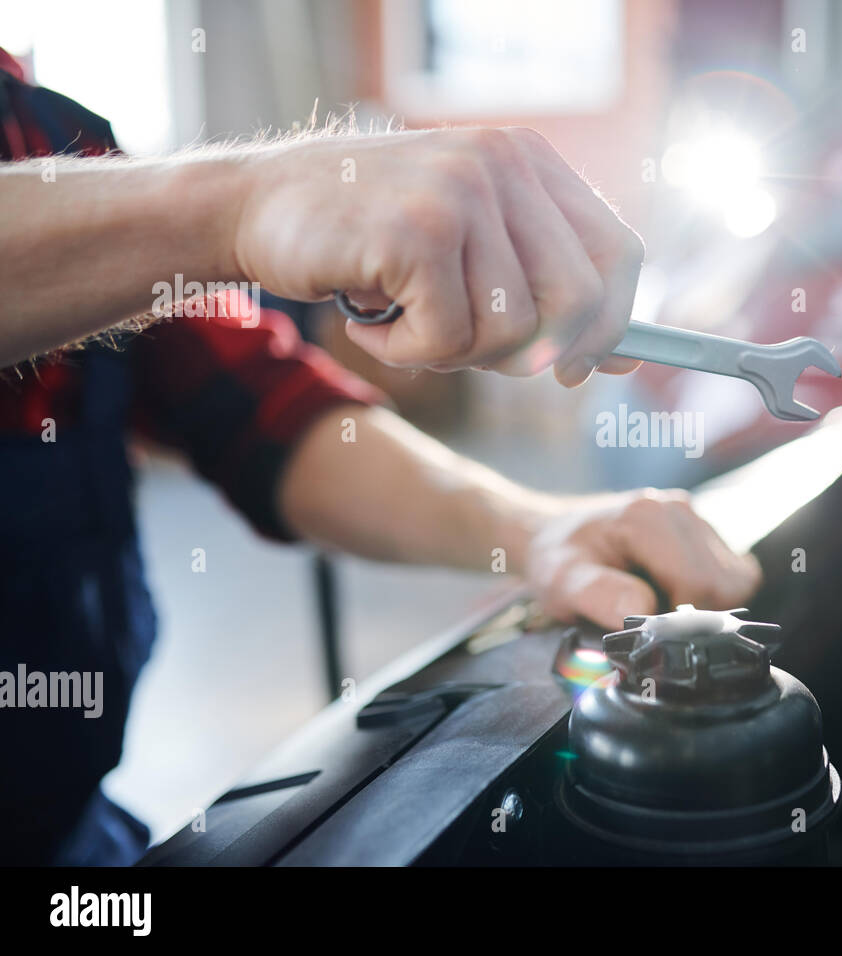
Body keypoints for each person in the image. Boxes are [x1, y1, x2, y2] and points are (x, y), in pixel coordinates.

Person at [0, 48, 760, 865]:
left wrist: (534, 529)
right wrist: (234, 202)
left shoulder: (42, 128)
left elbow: (260, 411)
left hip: (78, 842)